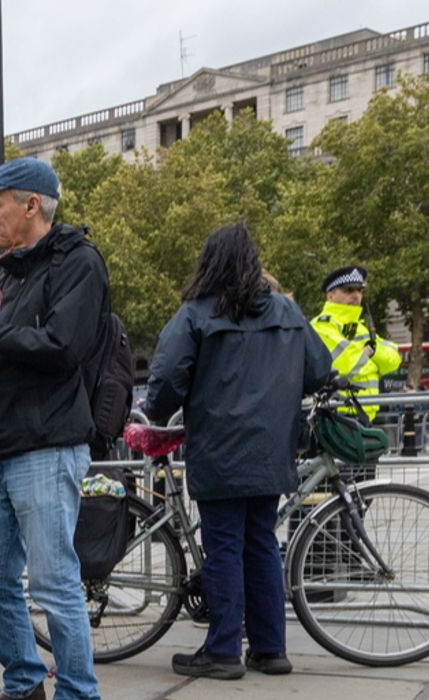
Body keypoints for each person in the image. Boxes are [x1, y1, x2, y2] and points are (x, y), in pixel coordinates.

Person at [144, 224, 331, 679]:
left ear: (208, 263)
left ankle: (223, 649)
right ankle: (270, 649)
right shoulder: (287, 312)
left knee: (224, 547)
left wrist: (154, 411)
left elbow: (167, 378)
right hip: (273, 452)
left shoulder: (196, 315)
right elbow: (319, 369)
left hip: (219, 450)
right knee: (262, 544)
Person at [0, 157, 104, 700]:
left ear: (30, 205)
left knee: (53, 583)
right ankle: (24, 682)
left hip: (47, 445)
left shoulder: (79, 262)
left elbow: (64, 345)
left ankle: (77, 691)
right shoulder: (2, 268)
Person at [311, 265, 400, 421]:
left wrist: (368, 351)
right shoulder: (322, 325)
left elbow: (393, 360)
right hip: (336, 415)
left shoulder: (361, 327)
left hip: (367, 415)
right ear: (330, 296)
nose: (355, 295)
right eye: (348, 290)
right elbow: (345, 365)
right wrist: (369, 354)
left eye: (359, 290)